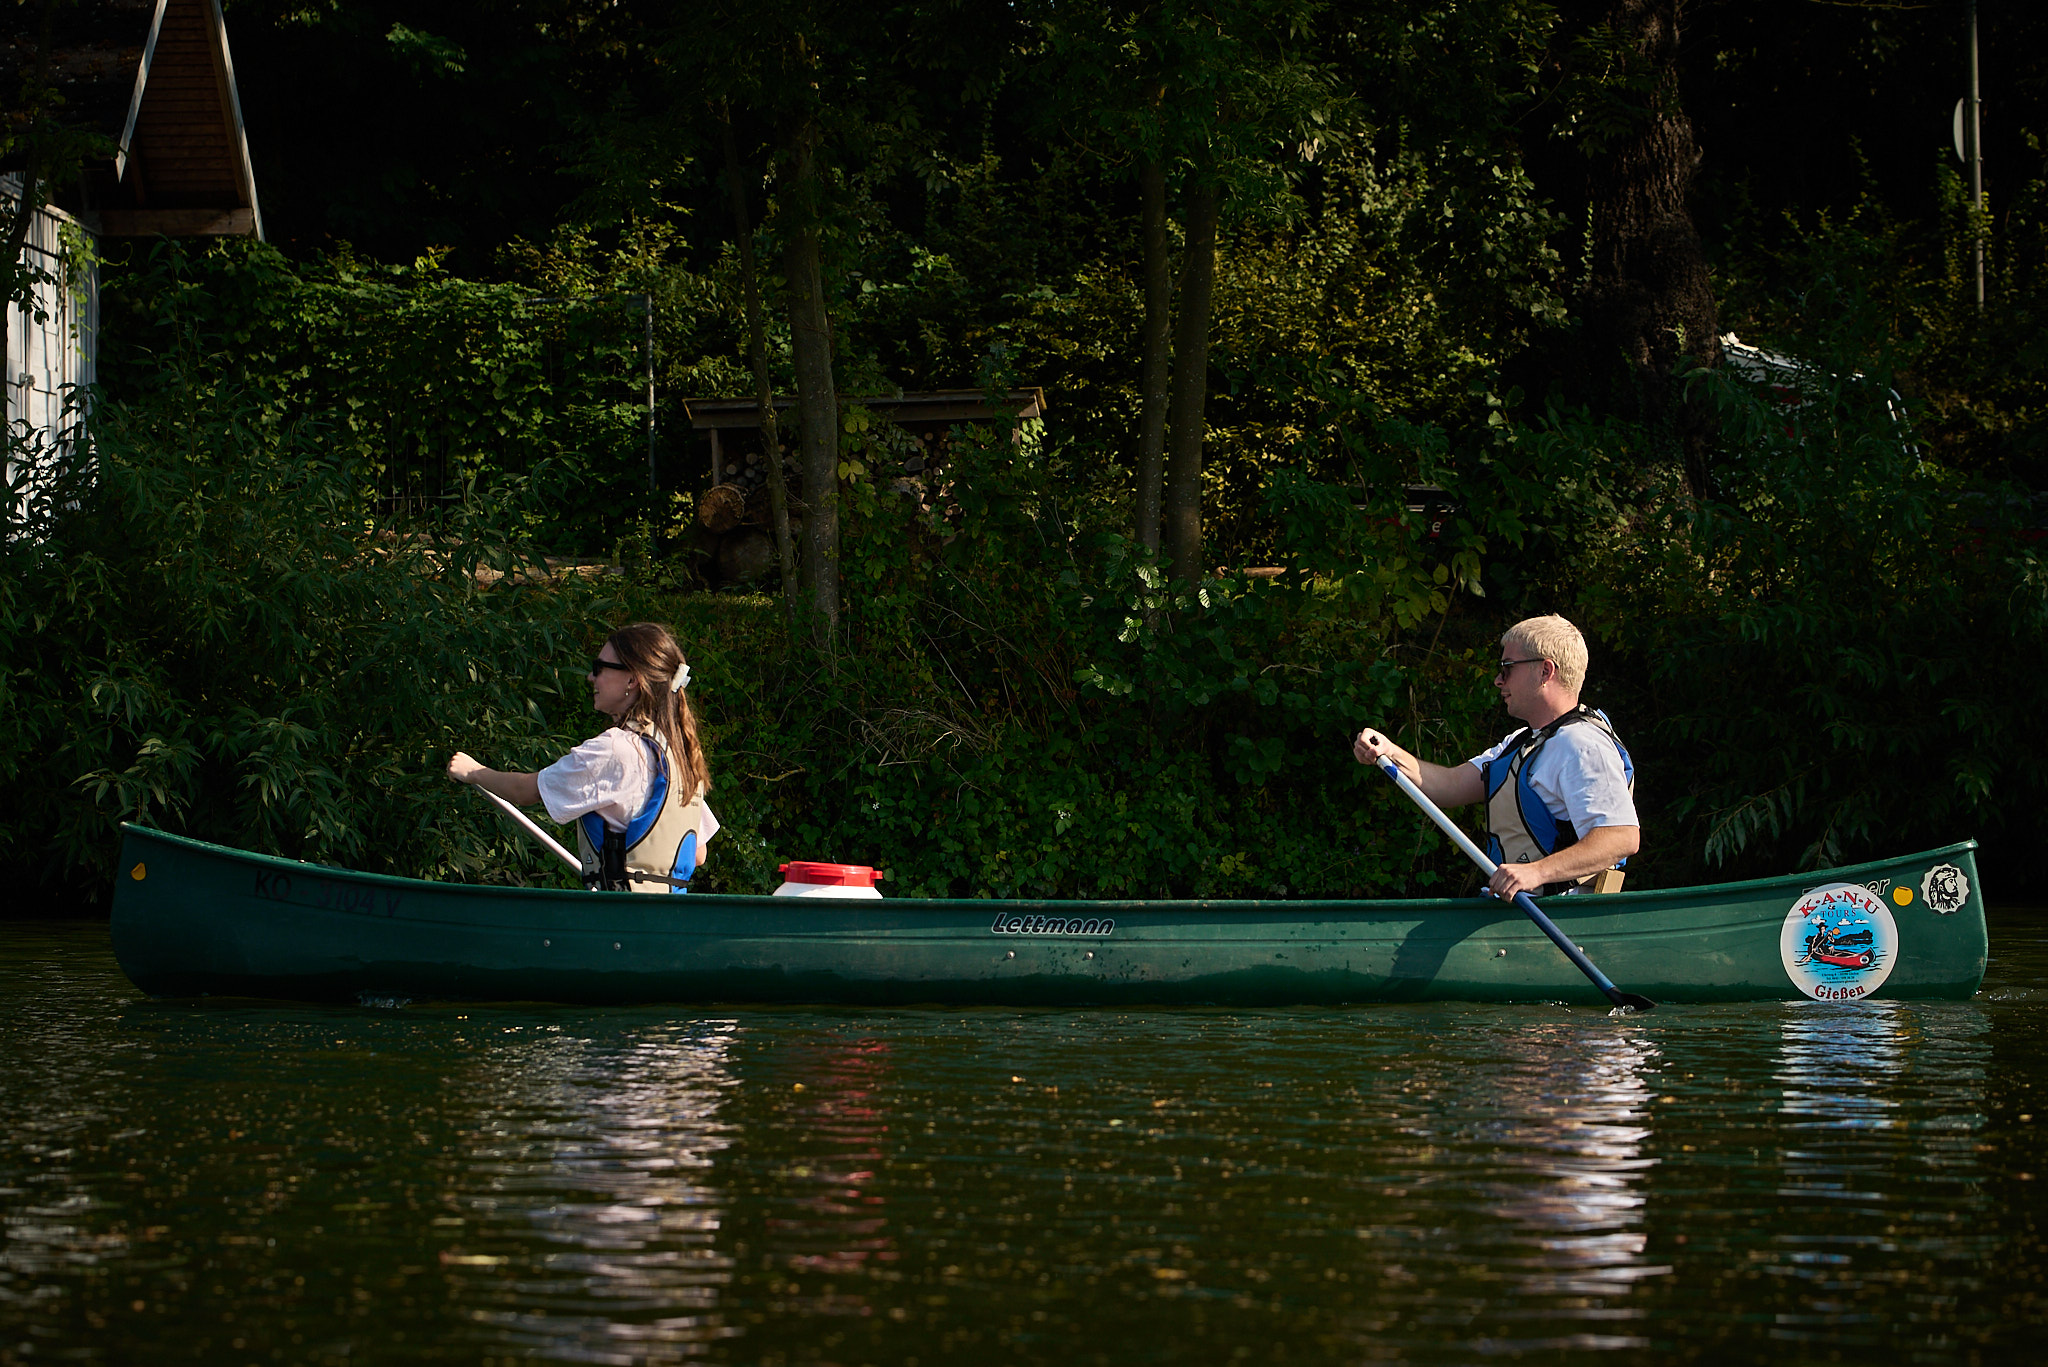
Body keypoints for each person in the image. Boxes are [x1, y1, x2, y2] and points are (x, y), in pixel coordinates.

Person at [1351, 614, 1637, 899]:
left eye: (1507, 667)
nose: (1498, 680)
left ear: (1545, 672)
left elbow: (1621, 837)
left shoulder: (1582, 744)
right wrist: (1388, 751)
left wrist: (1536, 872)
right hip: (1518, 913)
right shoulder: (1523, 742)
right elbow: (1449, 785)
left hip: (1558, 917)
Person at [447, 622, 717, 893]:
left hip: (621, 920)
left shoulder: (616, 749)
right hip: (669, 917)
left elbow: (525, 791)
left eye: (599, 668)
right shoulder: (677, 755)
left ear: (632, 679)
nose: (590, 677)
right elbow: (697, 853)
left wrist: (473, 772)